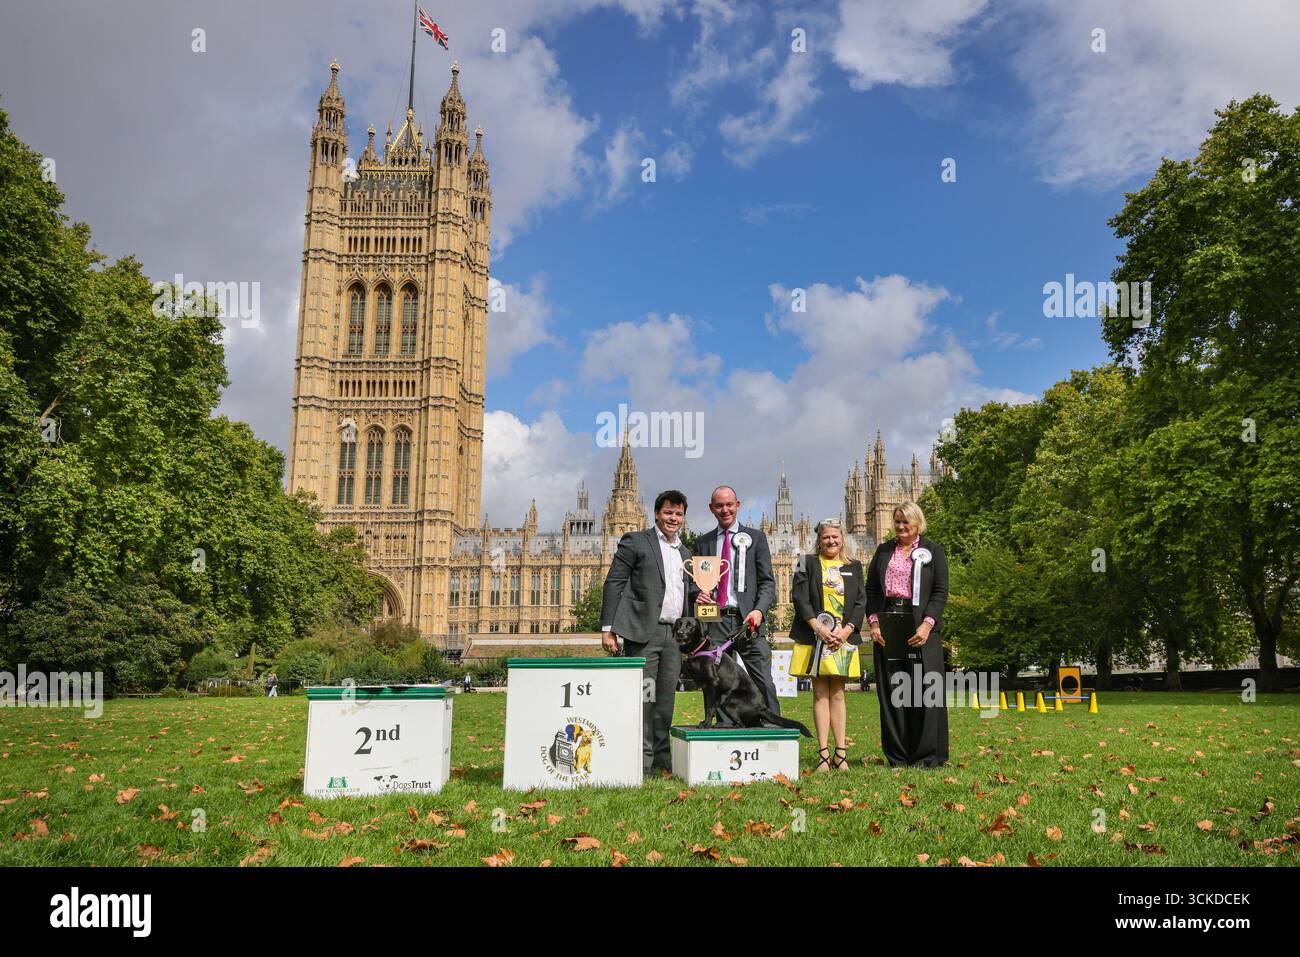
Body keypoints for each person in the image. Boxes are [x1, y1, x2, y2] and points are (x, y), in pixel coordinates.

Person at [600, 490, 692, 776]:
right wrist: (608, 629)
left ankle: (663, 761)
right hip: (644, 633)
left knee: (666, 700)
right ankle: (642, 763)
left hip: (674, 636)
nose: (672, 518)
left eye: (678, 514)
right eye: (668, 512)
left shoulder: (686, 553)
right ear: (656, 514)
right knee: (644, 700)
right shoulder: (637, 541)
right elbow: (614, 581)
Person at [865, 501, 950, 768]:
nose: (901, 527)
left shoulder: (933, 551)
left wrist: (927, 624)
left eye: (906, 522)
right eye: (897, 521)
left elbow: (939, 592)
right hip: (889, 622)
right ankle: (898, 757)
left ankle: (927, 756)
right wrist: (874, 623)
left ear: (918, 524)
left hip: (921, 624)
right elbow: (872, 591)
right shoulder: (883, 550)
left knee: (925, 691)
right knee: (894, 692)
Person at [692, 485, 779, 717]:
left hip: (748, 621)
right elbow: (694, 583)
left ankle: (773, 730)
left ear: (737, 505)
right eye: (719, 505)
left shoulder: (757, 538)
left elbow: (768, 582)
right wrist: (697, 594)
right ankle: (723, 728)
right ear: (712, 508)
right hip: (715, 620)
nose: (725, 509)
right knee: (716, 681)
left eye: (729, 504)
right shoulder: (703, 543)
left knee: (763, 680)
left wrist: (759, 611)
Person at [789, 519, 865, 772]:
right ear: (818, 540)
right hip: (815, 636)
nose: (831, 541)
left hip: (842, 637)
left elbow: (860, 602)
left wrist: (846, 630)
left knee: (838, 694)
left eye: (835, 537)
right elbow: (799, 597)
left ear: (842, 538)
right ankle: (823, 753)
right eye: (826, 537)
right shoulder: (804, 561)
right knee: (820, 692)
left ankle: (840, 753)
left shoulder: (854, 566)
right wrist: (819, 628)